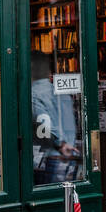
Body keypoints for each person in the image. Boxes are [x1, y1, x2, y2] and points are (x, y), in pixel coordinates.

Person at [30, 51, 82, 184]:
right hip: (70, 156)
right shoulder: (61, 92)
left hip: (51, 157)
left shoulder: (33, 94)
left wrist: (60, 143)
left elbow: (44, 125)